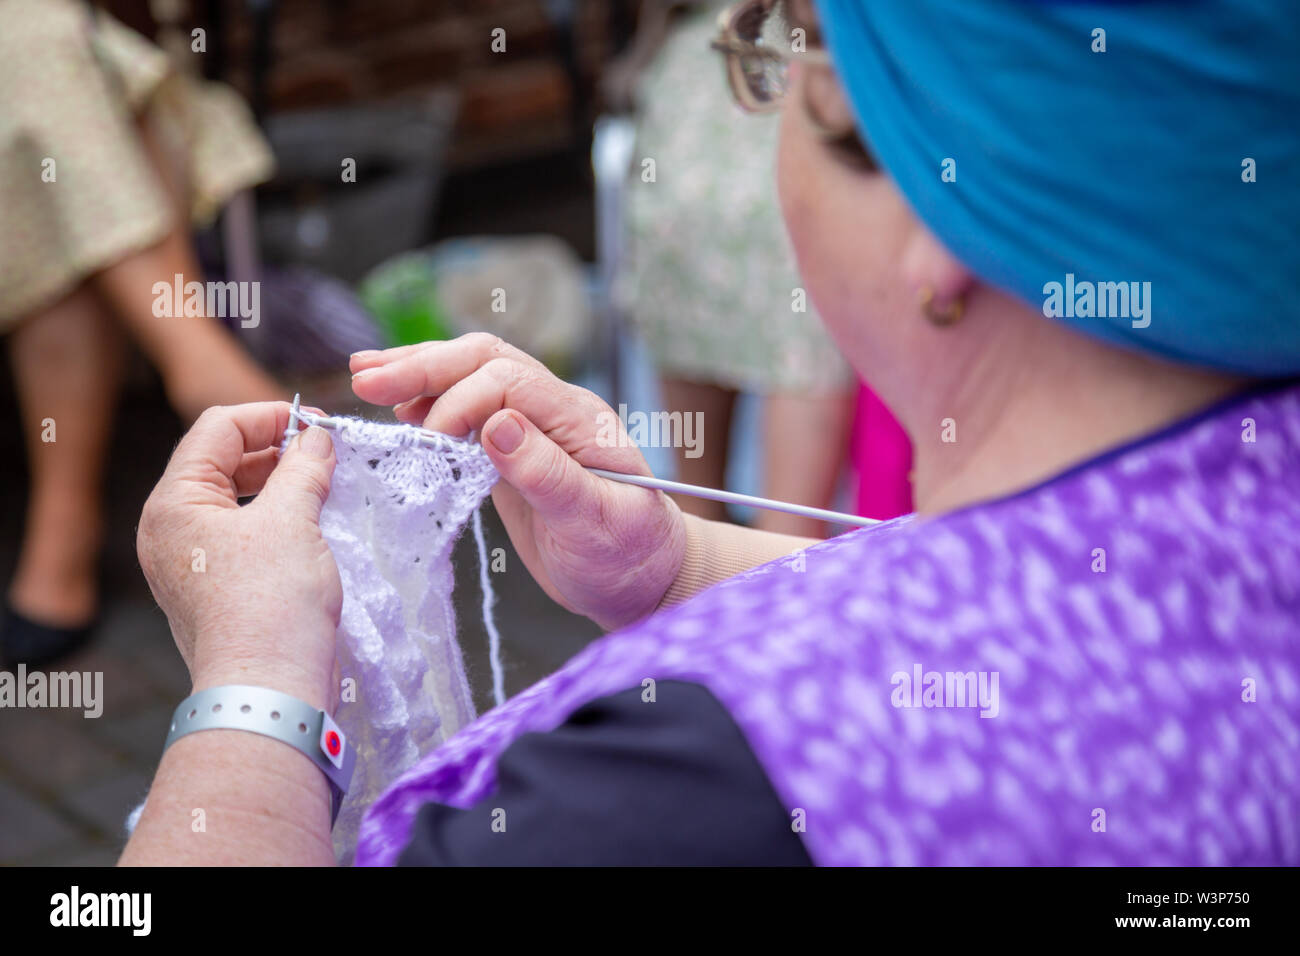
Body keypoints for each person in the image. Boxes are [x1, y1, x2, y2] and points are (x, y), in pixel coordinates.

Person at [121, 0, 1298, 866]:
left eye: (795, 75)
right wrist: (679, 565)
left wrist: (254, 683)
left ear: (945, 219)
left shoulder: (669, 796)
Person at [0, 0, 282, 665]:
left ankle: (66, 532)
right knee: (34, 65)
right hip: (76, 104)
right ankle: (201, 361)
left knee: (39, 54)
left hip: (97, 61)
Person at [618, 0, 856, 536]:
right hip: (744, 60)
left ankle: (732, 527)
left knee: (785, 240)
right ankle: (762, 529)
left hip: (791, 58)